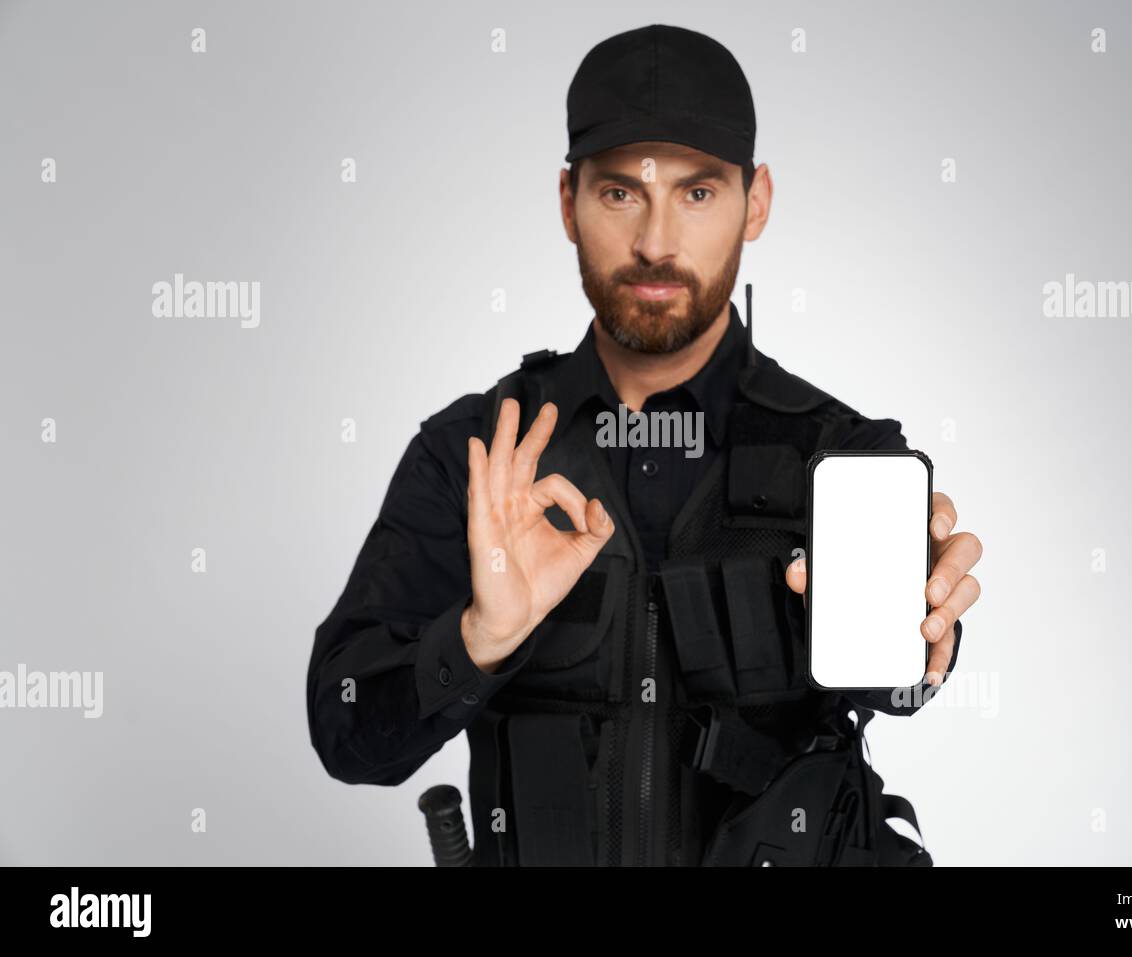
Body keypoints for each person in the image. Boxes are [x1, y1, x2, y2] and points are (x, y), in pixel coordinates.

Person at [307, 23, 983, 866]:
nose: (657, 241)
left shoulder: (842, 457)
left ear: (757, 201)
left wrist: (925, 646)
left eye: (697, 193)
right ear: (568, 202)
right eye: (621, 193)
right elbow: (344, 733)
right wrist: (479, 638)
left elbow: (903, 681)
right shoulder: (480, 456)